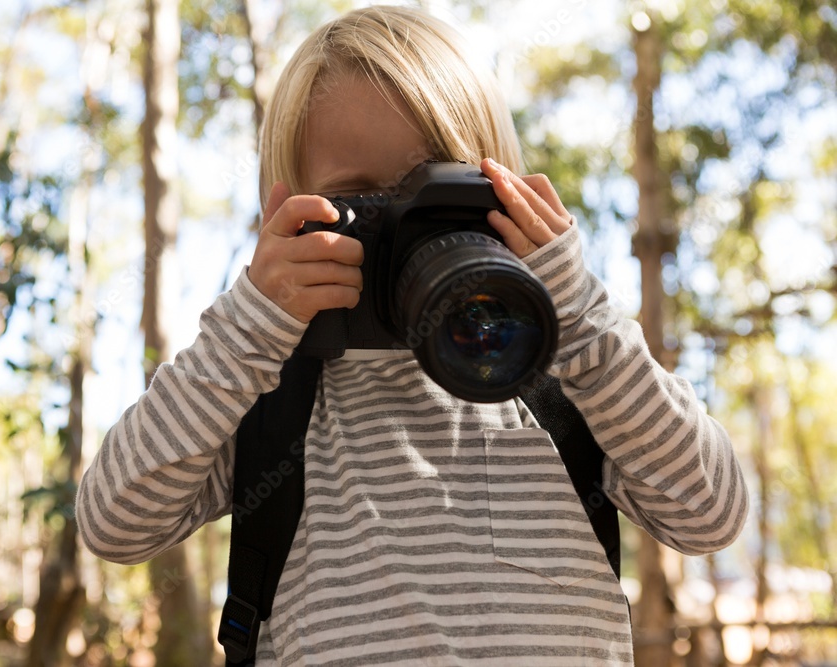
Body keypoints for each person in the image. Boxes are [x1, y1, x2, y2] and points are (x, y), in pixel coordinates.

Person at [76, 5, 748, 665]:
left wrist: (575, 314)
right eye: (364, 201)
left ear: (504, 188)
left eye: (438, 191)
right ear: (291, 214)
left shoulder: (566, 374)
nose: (407, 233)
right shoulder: (275, 395)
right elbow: (116, 519)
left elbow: (710, 511)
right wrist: (251, 323)